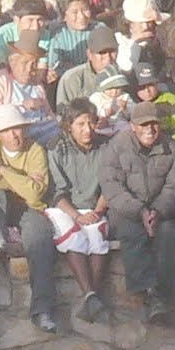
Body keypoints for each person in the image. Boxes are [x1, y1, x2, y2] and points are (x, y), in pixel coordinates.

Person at [0, 104, 61, 333]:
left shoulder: (34, 150)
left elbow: (34, 193)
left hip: (28, 207)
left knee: (40, 241)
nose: (14, 135)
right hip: (0, 202)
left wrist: (4, 170)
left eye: (18, 129)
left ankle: (42, 310)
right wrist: (22, 181)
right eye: (8, 131)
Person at [101, 100, 175, 324]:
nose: (149, 130)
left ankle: (161, 293)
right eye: (143, 125)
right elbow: (112, 188)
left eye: (154, 124)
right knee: (132, 233)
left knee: (169, 235)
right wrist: (139, 211)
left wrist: (157, 210)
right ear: (133, 126)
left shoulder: (172, 148)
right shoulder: (116, 147)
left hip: (161, 208)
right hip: (127, 209)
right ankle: (147, 291)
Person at [46, 99, 112, 323]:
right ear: (69, 126)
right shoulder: (57, 147)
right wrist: (76, 215)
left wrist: (98, 210)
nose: (87, 129)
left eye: (91, 123)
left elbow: (110, 184)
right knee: (74, 236)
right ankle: (91, 294)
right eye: (80, 124)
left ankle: (90, 296)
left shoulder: (105, 146)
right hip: (65, 207)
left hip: (95, 206)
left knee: (96, 236)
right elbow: (57, 191)